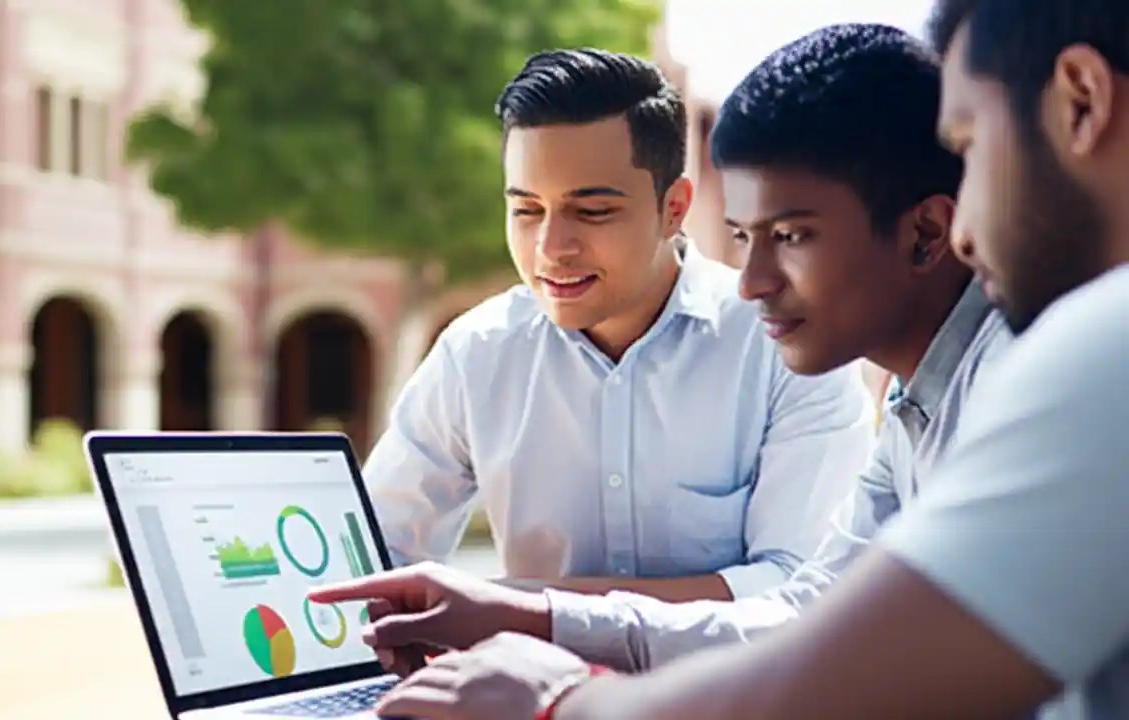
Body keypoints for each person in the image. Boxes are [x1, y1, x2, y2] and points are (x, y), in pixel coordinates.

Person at [335, 1, 1129, 717]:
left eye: (970, 146)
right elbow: (809, 618)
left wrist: (566, 700)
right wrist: (532, 618)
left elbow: (842, 673)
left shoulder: (1083, 357)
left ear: (1081, 104)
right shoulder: (919, 404)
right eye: (745, 238)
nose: (749, 284)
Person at [365, 49, 872, 604]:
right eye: (526, 210)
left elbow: (800, 587)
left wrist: (522, 609)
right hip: (521, 689)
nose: (551, 248)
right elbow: (375, 555)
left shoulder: (787, 346)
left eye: (592, 212)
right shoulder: (476, 354)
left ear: (674, 207)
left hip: (729, 690)